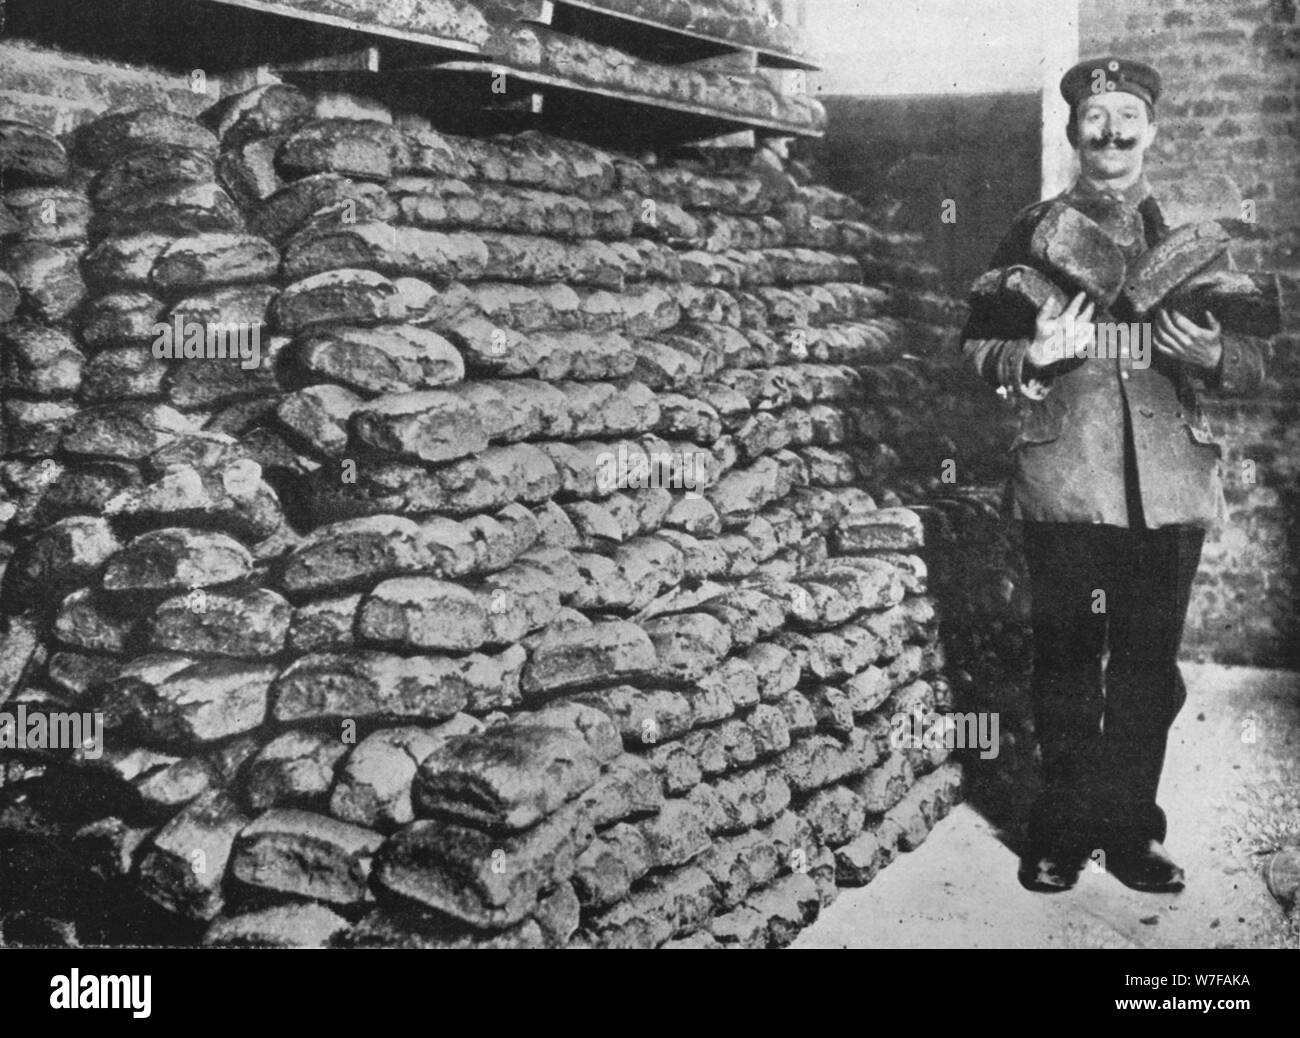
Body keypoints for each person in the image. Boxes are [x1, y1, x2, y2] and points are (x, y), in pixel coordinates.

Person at [959, 57, 1267, 893]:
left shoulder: (1191, 235)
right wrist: (1030, 352)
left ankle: (1131, 834)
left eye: (1128, 116)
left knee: (1146, 667)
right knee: (1064, 660)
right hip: (1067, 480)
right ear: (1073, 131)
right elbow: (974, 346)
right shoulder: (1034, 229)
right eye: (1096, 118)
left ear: (1152, 131)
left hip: (1168, 486)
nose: (1112, 132)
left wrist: (1216, 355)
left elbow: (1261, 355)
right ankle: (1058, 831)